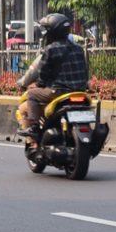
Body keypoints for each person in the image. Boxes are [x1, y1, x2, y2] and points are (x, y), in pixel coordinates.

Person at [17, 13, 90, 145]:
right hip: (80, 92)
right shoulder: (79, 49)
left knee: (31, 94)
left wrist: (38, 85)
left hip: (58, 92)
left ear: (52, 32)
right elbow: (85, 72)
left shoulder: (50, 49)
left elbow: (43, 75)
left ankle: (34, 127)